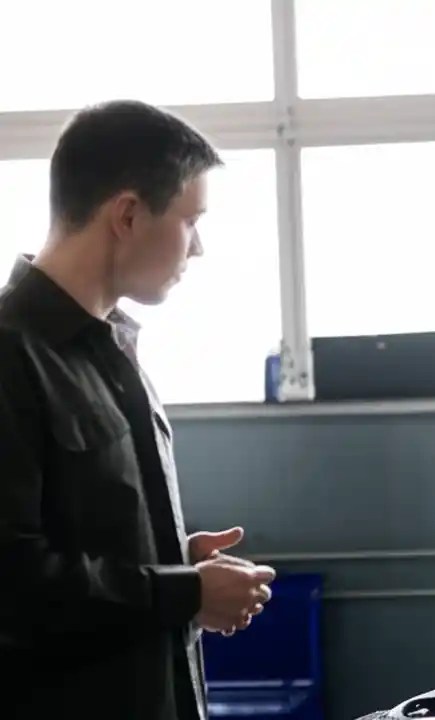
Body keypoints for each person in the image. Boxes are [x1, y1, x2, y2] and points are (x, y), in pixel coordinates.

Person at [0, 100, 276, 720]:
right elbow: (11, 583)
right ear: (127, 214)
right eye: (190, 220)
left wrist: (177, 562)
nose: (198, 247)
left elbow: (82, 539)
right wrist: (180, 592)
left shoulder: (115, 347)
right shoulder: (10, 356)